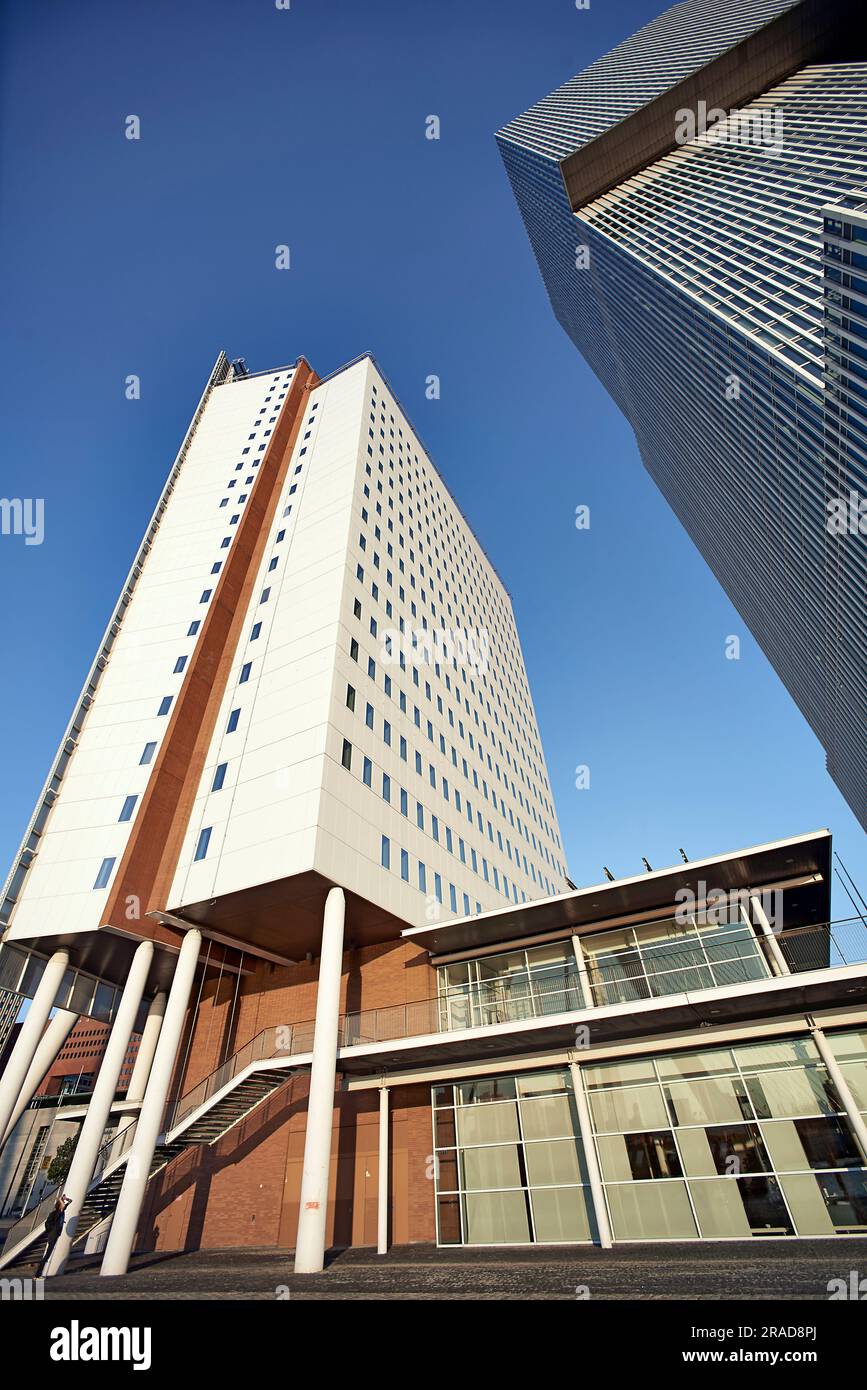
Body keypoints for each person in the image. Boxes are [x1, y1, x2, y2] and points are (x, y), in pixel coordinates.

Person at [37, 1192, 72, 1276]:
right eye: (62, 1204)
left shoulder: (61, 1211)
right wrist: (60, 1199)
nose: (64, 1205)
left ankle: (40, 1273)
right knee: (47, 1255)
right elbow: (48, 1224)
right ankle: (38, 1274)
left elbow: (70, 1201)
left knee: (48, 1254)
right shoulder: (56, 1213)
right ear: (60, 1206)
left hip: (56, 1234)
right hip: (53, 1234)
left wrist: (65, 1199)